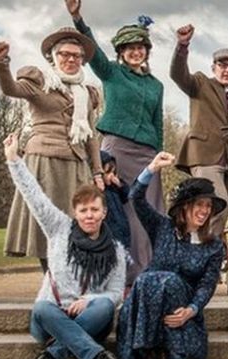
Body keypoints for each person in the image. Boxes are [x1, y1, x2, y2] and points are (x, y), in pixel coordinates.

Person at [3, 134, 126, 359]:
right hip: (52, 318)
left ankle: (51, 355)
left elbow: (116, 293)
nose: (89, 215)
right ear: (75, 213)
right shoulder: (59, 228)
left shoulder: (116, 250)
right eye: (83, 210)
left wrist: (90, 299)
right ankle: (99, 356)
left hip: (90, 317)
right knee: (42, 308)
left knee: (104, 306)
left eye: (94, 210)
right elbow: (34, 195)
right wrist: (14, 160)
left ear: (104, 212)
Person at [66, 0, 165, 284]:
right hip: (117, 150)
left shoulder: (156, 85)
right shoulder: (111, 72)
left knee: (151, 208)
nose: (135, 52)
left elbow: (157, 121)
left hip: (147, 154)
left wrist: (159, 155)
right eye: (129, 48)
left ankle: (151, 269)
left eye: (140, 47)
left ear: (146, 52)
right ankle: (124, 271)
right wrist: (78, 19)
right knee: (122, 210)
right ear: (121, 52)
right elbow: (92, 52)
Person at [0, 28, 102, 272]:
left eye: (76, 55)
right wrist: (1, 63)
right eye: (65, 54)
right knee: (46, 223)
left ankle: (72, 279)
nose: (71, 59)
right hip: (44, 163)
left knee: (79, 224)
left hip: (76, 165)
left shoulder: (87, 93)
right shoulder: (39, 82)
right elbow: (10, 88)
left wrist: (98, 172)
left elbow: (91, 136)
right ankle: (52, 279)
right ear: (54, 56)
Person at [116, 152, 225, 359]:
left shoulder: (214, 246)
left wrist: (191, 310)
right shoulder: (162, 227)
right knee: (147, 279)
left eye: (208, 206)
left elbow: (206, 285)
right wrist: (152, 168)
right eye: (199, 204)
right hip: (147, 302)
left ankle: (167, 353)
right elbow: (136, 198)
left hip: (181, 312)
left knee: (170, 282)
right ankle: (149, 353)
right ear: (184, 207)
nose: (205, 211)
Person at [171, 24, 228, 294]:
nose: (227, 69)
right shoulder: (200, 84)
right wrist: (182, 46)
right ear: (213, 67)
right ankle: (204, 271)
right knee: (218, 206)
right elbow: (177, 74)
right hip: (205, 156)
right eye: (222, 65)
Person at [99, 151, 132, 255]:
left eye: (113, 172)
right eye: (108, 173)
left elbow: (127, 196)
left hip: (122, 229)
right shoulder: (99, 192)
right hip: (109, 234)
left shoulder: (114, 187)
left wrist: (120, 185)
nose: (111, 176)